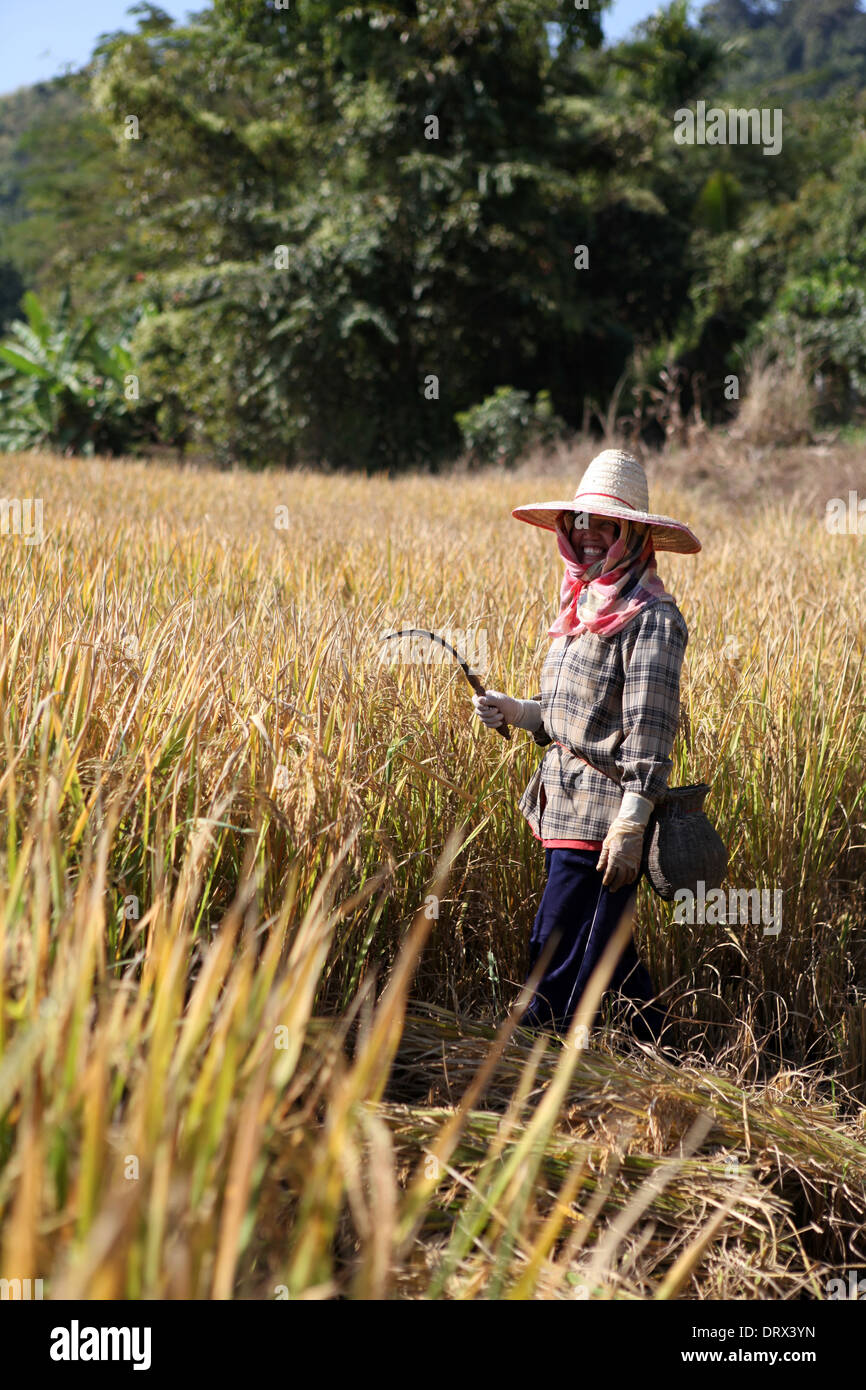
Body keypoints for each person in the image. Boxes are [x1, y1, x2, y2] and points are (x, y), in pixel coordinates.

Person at [473, 450, 701, 1042]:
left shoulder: (652, 618)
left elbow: (650, 733)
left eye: (605, 525)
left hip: (602, 824)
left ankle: (531, 1071)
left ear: (633, 534)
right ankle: (677, 1070)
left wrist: (631, 823)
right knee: (608, 960)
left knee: (554, 952)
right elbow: (564, 717)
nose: (589, 536)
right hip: (561, 806)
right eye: (581, 522)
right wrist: (516, 711)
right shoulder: (582, 605)